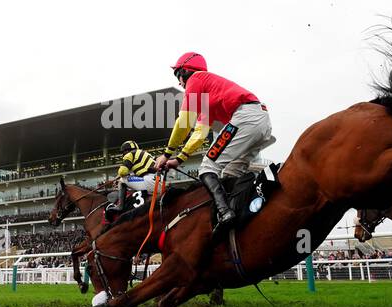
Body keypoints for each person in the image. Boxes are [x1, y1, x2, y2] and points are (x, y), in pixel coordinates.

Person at [154, 52, 275, 234]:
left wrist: (166, 154)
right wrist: (178, 160)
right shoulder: (206, 99)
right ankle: (245, 213)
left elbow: (184, 122)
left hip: (245, 117)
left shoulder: (196, 78)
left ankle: (225, 214)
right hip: (260, 120)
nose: (179, 82)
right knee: (231, 173)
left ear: (185, 71)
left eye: (177, 75)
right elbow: (198, 135)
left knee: (207, 167)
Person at [104, 139, 159, 225]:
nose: (123, 154)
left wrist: (118, 177)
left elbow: (122, 172)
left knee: (122, 181)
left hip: (150, 183)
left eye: (123, 152)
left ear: (127, 150)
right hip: (158, 181)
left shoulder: (130, 154)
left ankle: (120, 206)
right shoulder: (145, 154)